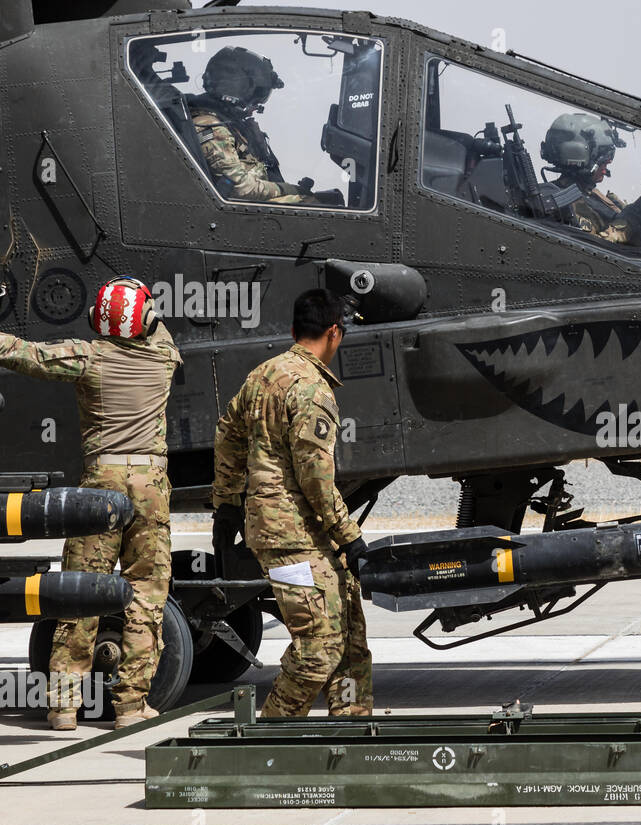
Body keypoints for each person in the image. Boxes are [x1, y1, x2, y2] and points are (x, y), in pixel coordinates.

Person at [0, 276, 181, 730]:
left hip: (100, 484)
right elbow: (156, 326)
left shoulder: (88, 357)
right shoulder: (165, 357)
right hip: (150, 484)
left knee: (81, 591)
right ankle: (131, 706)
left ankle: (63, 706)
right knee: (145, 593)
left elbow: (26, 354)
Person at [211, 289, 371, 717]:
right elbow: (315, 478)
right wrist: (350, 537)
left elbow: (227, 433)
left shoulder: (261, 375)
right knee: (319, 643)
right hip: (289, 537)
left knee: (348, 628)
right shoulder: (312, 390)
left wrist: (227, 502)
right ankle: (272, 730)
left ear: (294, 331)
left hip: (300, 533)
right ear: (334, 332)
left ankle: (351, 724)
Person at [189, 46, 324, 205]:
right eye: (255, 96)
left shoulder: (230, 126)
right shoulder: (210, 125)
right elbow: (240, 188)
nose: (256, 105)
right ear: (236, 89)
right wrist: (290, 190)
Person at [540, 112, 641, 246]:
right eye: (603, 163)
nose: (605, 169)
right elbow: (600, 247)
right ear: (582, 159)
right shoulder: (560, 203)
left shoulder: (591, 195)